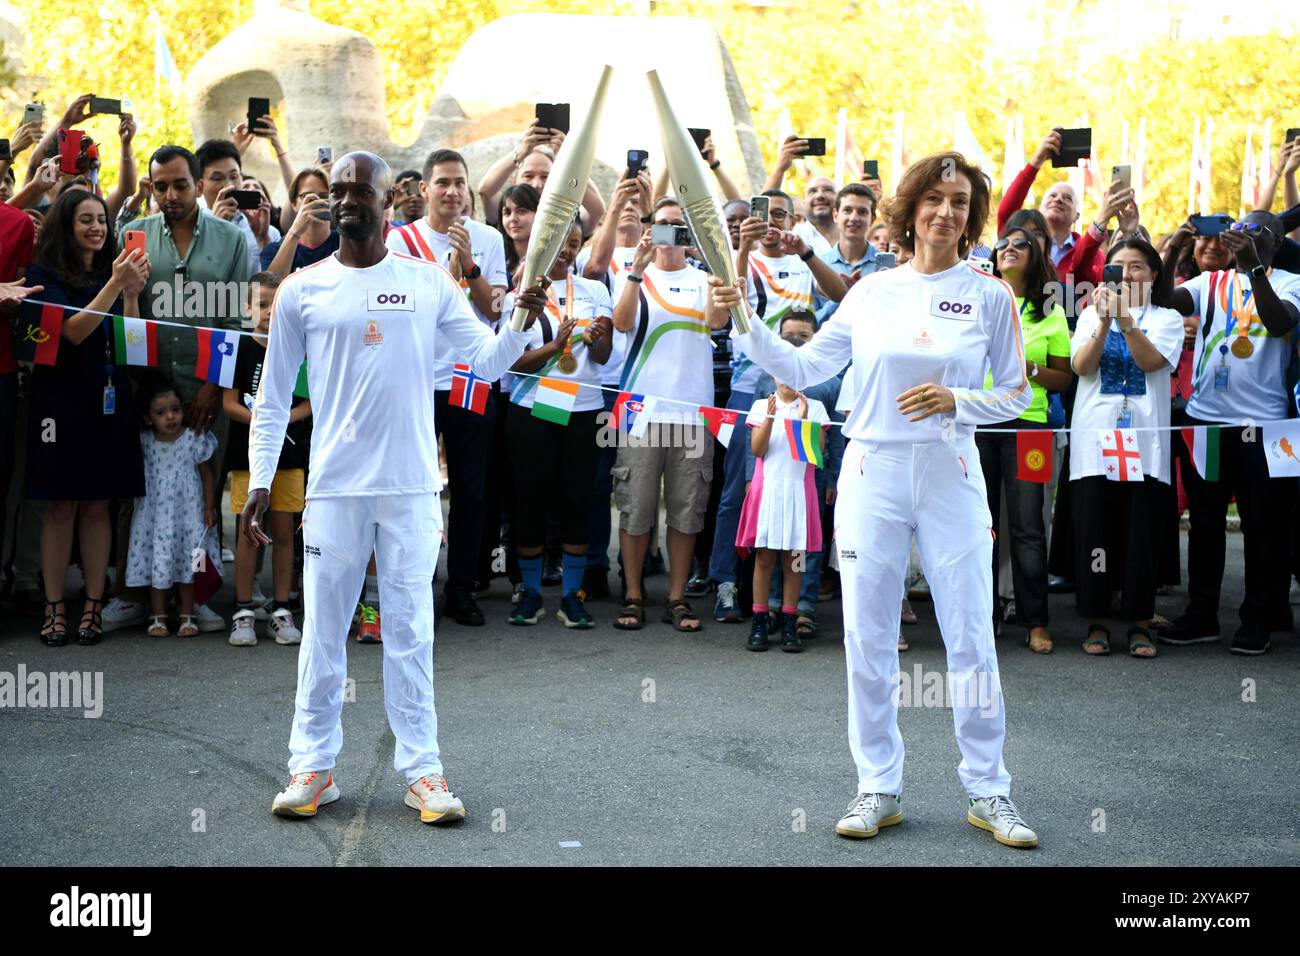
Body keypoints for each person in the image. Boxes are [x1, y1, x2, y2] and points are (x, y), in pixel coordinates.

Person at [715, 150, 1039, 848]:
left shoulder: (989, 295)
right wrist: (744, 320)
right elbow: (803, 368)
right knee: (866, 634)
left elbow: (1018, 393)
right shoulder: (870, 293)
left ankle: (990, 790)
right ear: (911, 209)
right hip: (872, 469)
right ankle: (877, 786)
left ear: (970, 216)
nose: (946, 212)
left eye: (959, 202)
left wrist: (960, 398)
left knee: (971, 632)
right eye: (934, 199)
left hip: (950, 471)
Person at [245, 151, 533, 824]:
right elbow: (271, 396)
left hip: (408, 487)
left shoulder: (428, 282)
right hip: (335, 491)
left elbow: (486, 361)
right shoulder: (301, 289)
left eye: (359, 189)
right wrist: (262, 477)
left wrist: (520, 318)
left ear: (389, 199)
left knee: (411, 630)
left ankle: (423, 772)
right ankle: (312, 766)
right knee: (323, 632)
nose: (347, 199)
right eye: (337, 189)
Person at [105, 145, 251, 634]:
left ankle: (198, 592)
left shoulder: (231, 239)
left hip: (208, 387)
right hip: (151, 391)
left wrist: (215, 384)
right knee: (139, 495)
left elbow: (235, 320)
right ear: (152, 188)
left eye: (181, 184)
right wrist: (140, 389)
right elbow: (126, 313)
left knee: (200, 497)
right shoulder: (135, 236)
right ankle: (135, 593)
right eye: (161, 185)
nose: (171, 194)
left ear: (198, 185)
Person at [1159, 212, 1300, 655]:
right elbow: (1163, 298)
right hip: (1207, 421)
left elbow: (1279, 323)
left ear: (1276, 243)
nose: (1244, 234)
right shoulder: (1210, 283)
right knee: (1204, 524)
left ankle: (1256, 620)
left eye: (1258, 231)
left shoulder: (1290, 282)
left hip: (1266, 427)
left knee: (1262, 526)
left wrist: (1254, 268)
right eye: (1241, 226)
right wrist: (1172, 251)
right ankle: (1202, 614)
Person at [709, 190, 846, 623]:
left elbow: (840, 293)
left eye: (781, 216)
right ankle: (728, 585)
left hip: (802, 391)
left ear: (793, 220)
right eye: (762, 216)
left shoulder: (804, 257)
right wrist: (742, 247)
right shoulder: (741, 257)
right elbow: (718, 317)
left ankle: (794, 605)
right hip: (751, 388)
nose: (770, 223)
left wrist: (804, 250)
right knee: (740, 491)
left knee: (801, 492)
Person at [385, 148, 508, 626]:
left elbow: (496, 310)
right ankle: (411, 585)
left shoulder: (489, 238)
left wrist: (469, 266)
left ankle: (462, 587)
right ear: (424, 189)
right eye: (443, 183)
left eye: (460, 183)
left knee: (471, 491)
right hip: (415, 379)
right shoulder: (400, 240)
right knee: (413, 488)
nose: (452, 191)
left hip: (469, 377)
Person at [22, 189, 149, 645]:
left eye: (102, 220)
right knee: (61, 506)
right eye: (86, 220)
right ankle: (55, 608)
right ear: (66, 225)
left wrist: (131, 295)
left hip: (110, 398)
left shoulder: (116, 271)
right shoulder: (43, 276)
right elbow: (71, 333)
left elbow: (134, 344)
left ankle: (92, 608)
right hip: (59, 402)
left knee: (99, 506)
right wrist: (115, 285)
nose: (97, 228)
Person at [611, 197, 730, 632]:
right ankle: (634, 593)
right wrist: (637, 270)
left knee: (686, 511)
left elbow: (717, 320)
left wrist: (712, 262)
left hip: (693, 412)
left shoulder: (702, 279)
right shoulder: (632, 273)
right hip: (639, 410)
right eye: (661, 224)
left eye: (678, 226)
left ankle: (677, 597)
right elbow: (622, 324)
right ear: (649, 228)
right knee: (636, 507)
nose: (669, 233)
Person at [1069, 239, 1184, 657]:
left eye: (1138, 267)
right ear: (1106, 274)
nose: (1129, 274)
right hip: (1095, 438)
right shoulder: (1087, 315)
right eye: (1120, 266)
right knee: (1096, 530)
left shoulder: (1167, 318)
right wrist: (1104, 322)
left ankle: (1138, 622)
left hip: (1144, 440)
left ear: (1153, 276)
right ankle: (1097, 621)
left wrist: (1127, 321)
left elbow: (1153, 362)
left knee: (1141, 532)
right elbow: (1081, 367)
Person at [503, 220, 613, 627]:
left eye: (574, 244)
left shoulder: (595, 290)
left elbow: (601, 357)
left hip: (584, 409)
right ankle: (531, 594)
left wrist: (600, 335)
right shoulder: (523, 294)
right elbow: (511, 363)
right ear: (542, 246)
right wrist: (554, 346)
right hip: (533, 408)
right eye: (559, 244)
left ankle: (572, 596)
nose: (566, 251)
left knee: (577, 500)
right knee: (530, 500)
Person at [975, 225, 1072, 654]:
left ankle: (1035, 620)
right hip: (977, 423)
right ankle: (985, 617)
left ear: (1035, 257)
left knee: (1029, 526)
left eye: (1021, 245)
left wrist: (1025, 369)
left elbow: (1063, 376)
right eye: (1004, 244)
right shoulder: (976, 299)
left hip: (1029, 425)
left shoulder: (1049, 309)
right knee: (980, 526)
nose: (1009, 249)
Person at [223, 272, 310, 647]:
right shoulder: (237, 346)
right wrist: (264, 420)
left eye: (274, 305)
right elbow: (228, 403)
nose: (267, 312)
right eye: (259, 304)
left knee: (284, 530)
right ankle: (243, 611)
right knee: (248, 531)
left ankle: (280, 609)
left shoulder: (298, 346)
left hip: (290, 456)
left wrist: (282, 419)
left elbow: (308, 403)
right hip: (248, 457)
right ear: (246, 308)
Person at [738, 320, 832, 654]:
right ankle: (760, 619)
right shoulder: (762, 406)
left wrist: (803, 420)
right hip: (769, 490)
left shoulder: (816, 409)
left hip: (798, 491)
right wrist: (772, 418)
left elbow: (813, 455)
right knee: (764, 558)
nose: (788, 381)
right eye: (782, 373)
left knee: (795, 559)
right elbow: (758, 449)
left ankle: (791, 620)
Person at [126, 377, 221, 638]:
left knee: (190, 564)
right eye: (161, 412)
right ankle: (158, 617)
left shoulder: (194, 438)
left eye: (175, 409)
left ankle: (189, 614)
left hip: (189, 515)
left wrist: (210, 507)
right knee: (158, 560)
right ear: (148, 417)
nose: (170, 417)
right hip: (155, 518)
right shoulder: (145, 442)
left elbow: (207, 475)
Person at [477, 120, 605, 227]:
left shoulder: (568, 219)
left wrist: (568, 160)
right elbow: (485, 191)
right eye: (528, 176)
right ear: (514, 181)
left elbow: (597, 210)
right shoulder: (507, 214)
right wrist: (521, 152)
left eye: (545, 177)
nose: (537, 184)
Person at [194, 139, 261, 275]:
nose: (229, 185)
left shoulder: (262, 228)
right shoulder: (191, 230)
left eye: (234, 176)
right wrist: (216, 228)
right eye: (217, 178)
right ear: (200, 186)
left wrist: (263, 238)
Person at [817, 183, 882, 323]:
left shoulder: (884, 266)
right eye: (847, 210)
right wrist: (840, 294)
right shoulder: (819, 264)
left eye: (862, 212)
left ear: (872, 219)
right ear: (835, 215)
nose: (854, 218)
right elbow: (812, 319)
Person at [261, 168, 339, 277]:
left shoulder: (345, 243)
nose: (317, 201)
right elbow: (273, 289)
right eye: (307, 197)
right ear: (294, 204)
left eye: (324, 196)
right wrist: (295, 232)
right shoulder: (274, 250)